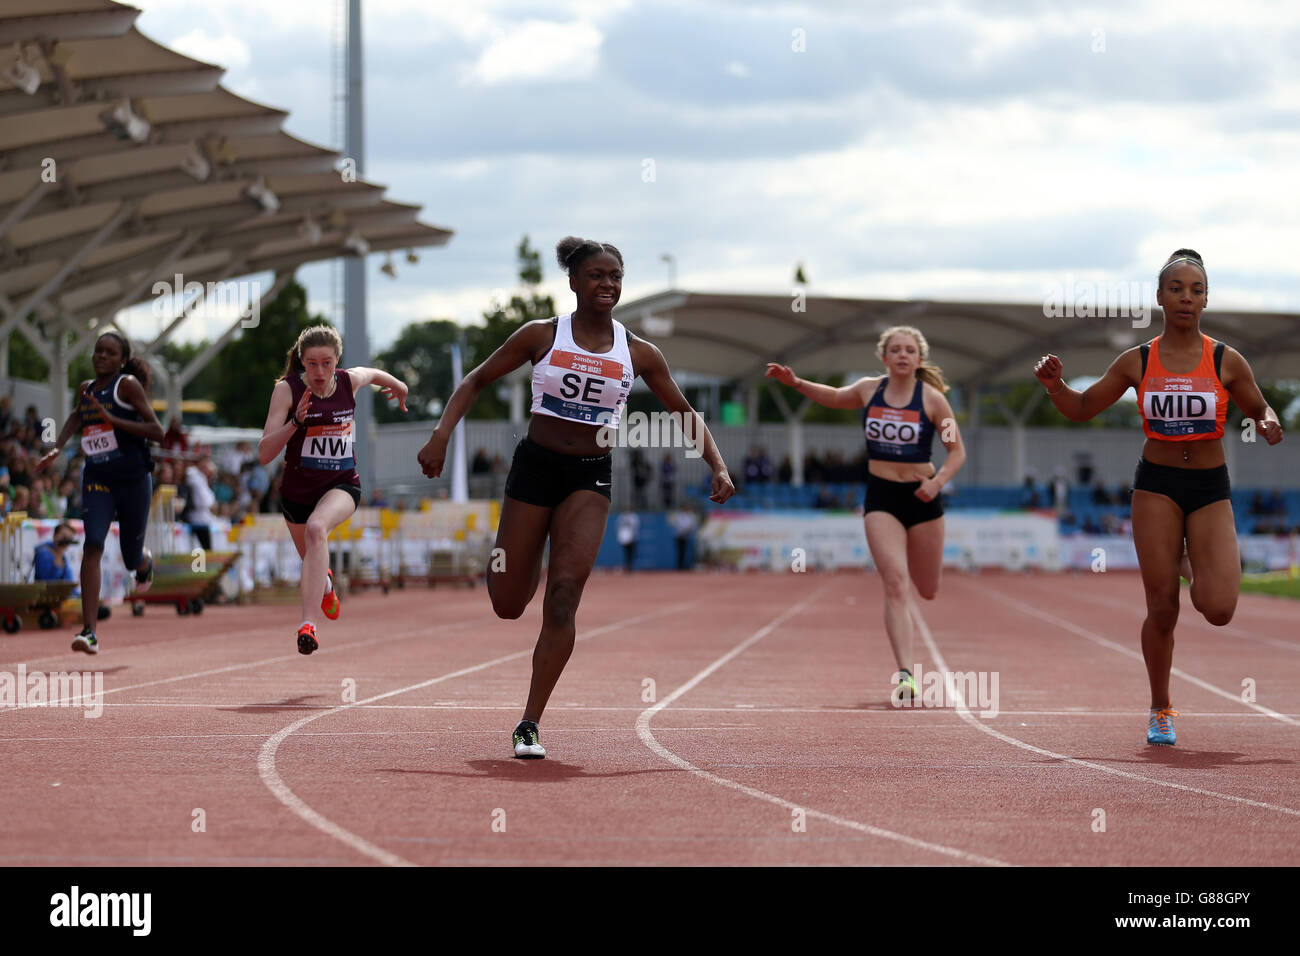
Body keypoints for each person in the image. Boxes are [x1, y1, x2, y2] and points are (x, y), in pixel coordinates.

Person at [417, 236, 734, 759]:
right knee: (508, 605)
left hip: (591, 474)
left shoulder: (639, 353)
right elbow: (476, 380)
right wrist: (441, 435)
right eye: (596, 275)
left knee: (563, 597)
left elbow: (682, 411)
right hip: (536, 468)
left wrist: (717, 464)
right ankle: (516, 562)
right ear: (573, 281)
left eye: (615, 276)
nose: (607, 284)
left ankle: (529, 722)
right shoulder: (541, 335)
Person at [1033, 248, 1284, 746]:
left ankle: (1188, 558)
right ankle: (1160, 708)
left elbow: (1259, 407)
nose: (1185, 297)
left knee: (1219, 609)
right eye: (1176, 288)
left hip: (1209, 488)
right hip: (1157, 487)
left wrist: (1269, 421)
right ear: (1160, 297)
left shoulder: (1225, 360)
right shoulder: (1138, 360)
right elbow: (1083, 407)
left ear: (1206, 299)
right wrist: (1055, 387)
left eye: (1195, 290)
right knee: (1163, 608)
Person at [767, 325, 966, 700]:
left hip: (923, 498)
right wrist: (796, 383)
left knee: (928, 589)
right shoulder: (868, 390)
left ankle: (912, 647)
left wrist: (936, 483)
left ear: (919, 359)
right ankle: (906, 673)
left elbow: (957, 451)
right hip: (882, 498)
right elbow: (834, 396)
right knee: (894, 582)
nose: (903, 355)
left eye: (910, 350)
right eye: (896, 349)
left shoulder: (934, 401)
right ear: (884, 357)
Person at [258, 325, 408, 654]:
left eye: (327, 363)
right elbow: (264, 453)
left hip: (341, 484)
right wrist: (295, 423)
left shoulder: (348, 381)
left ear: (337, 360)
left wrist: (398, 385)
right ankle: (325, 585)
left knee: (316, 529)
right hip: (297, 493)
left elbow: (372, 374)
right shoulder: (287, 390)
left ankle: (307, 625)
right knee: (313, 558)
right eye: (312, 364)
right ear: (301, 361)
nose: (320, 372)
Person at [35, 331, 163, 654]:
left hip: (133, 479)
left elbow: (157, 432)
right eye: (97, 351)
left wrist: (113, 419)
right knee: (93, 543)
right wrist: (57, 448)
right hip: (98, 478)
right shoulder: (86, 389)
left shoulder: (127, 386)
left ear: (121, 360)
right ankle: (89, 631)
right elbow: (77, 416)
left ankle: (143, 561)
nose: (101, 357)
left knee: (130, 557)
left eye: (109, 353)